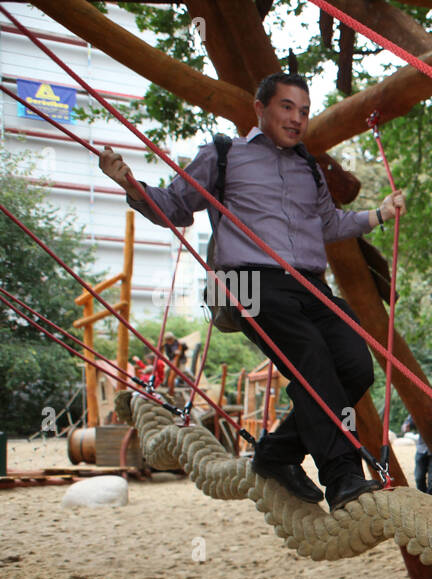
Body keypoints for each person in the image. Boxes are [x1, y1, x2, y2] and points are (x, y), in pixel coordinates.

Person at [98, 72, 405, 512]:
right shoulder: (224, 155)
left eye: (304, 110)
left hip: (309, 285)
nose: (297, 119)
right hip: (250, 282)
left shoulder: (308, 168)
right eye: (286, 107)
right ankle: (342, 477)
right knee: (311, 357)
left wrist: (378, 213)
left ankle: (275, 454)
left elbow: (331, 224)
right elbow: (175, 207)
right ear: (260, 109)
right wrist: (129, 183)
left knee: (355, 365)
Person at [401, 385, 432, 495]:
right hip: (422, 448)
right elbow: (407, 423)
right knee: (419, 478)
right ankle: (423, 498)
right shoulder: (420, 410)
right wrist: (407, 426)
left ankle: (431, 502)